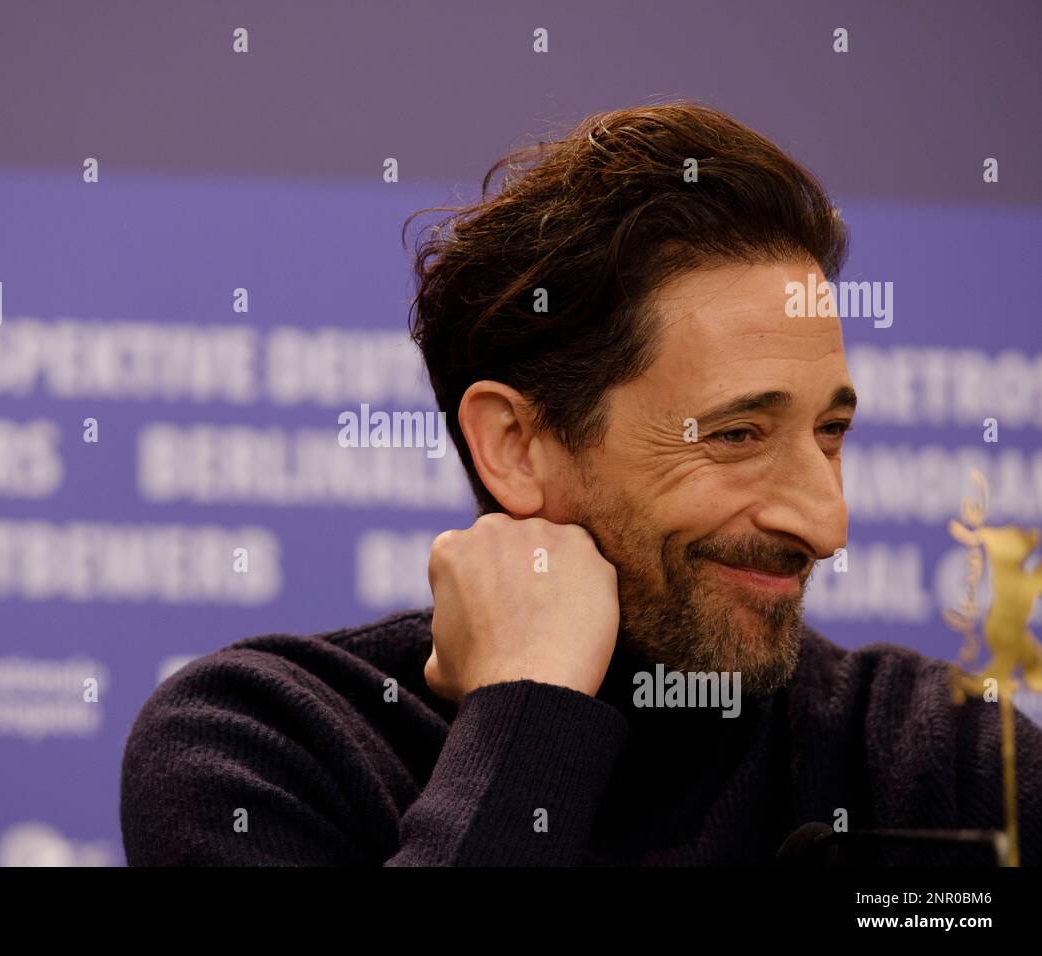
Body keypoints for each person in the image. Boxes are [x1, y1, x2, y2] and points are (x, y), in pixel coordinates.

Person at [120, 102, 1041, 866]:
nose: (827, 522)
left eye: (829, 434)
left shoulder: (939, 755)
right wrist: (532, 707)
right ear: (517, 445)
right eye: (737, 434)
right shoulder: (266, 746)